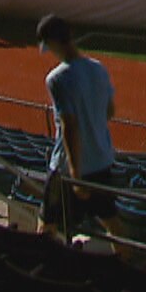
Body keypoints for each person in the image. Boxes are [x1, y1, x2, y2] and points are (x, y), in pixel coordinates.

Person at [37, 14, 117, 239]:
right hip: (102, 160)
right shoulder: (99, 69)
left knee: (46, 226)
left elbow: (69, 126)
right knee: (113, 223)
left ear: (53, 42)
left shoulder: (57, 79)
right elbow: (109, 111)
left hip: (69, 169)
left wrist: (76, 174)